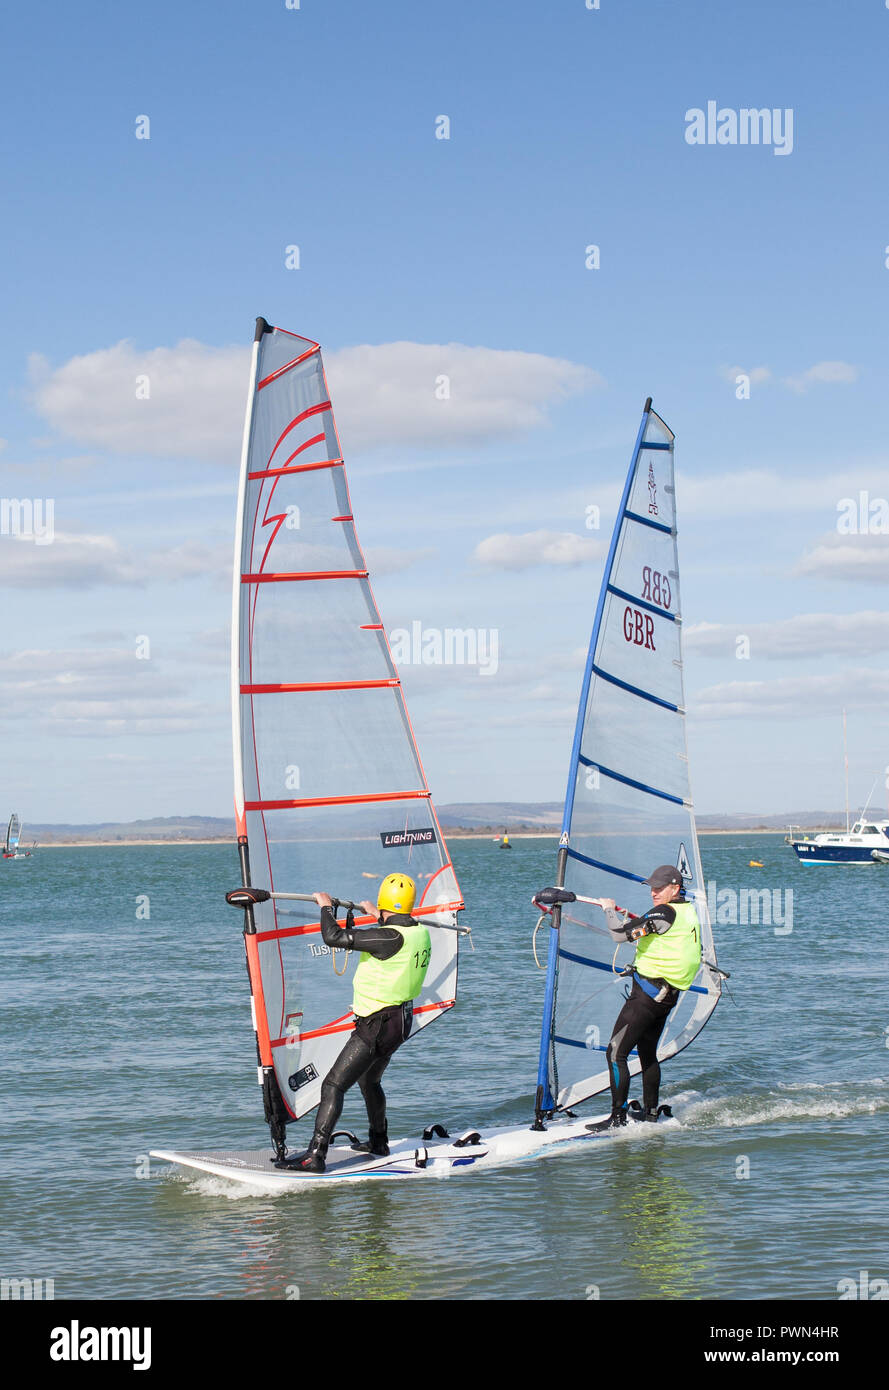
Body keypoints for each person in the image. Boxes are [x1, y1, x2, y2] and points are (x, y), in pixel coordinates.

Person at [283, 872, 431, 1172]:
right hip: (400, 1022)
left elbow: (334, 937)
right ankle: (379, 1141)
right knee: (370, 1080)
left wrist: (325, 907)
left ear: (383, 902)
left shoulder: (390, 937)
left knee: (333, 1086)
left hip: (375, 1026)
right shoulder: (420, 932)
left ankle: (316, 1155)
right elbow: (393, 934)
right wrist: (378, 917)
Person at [587, 864, 702, 1129]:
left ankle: (617, 1118)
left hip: (647, 998)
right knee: (648, 1053)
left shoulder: (663, 912)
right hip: (667, 997)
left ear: (675, 888)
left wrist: (607, 908)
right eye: (652, 887)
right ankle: (650, 1113)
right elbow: (666, 940)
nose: (654, 892)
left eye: (660, 888)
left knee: (616, 1053)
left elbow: (619, 935)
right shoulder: (687, 910)